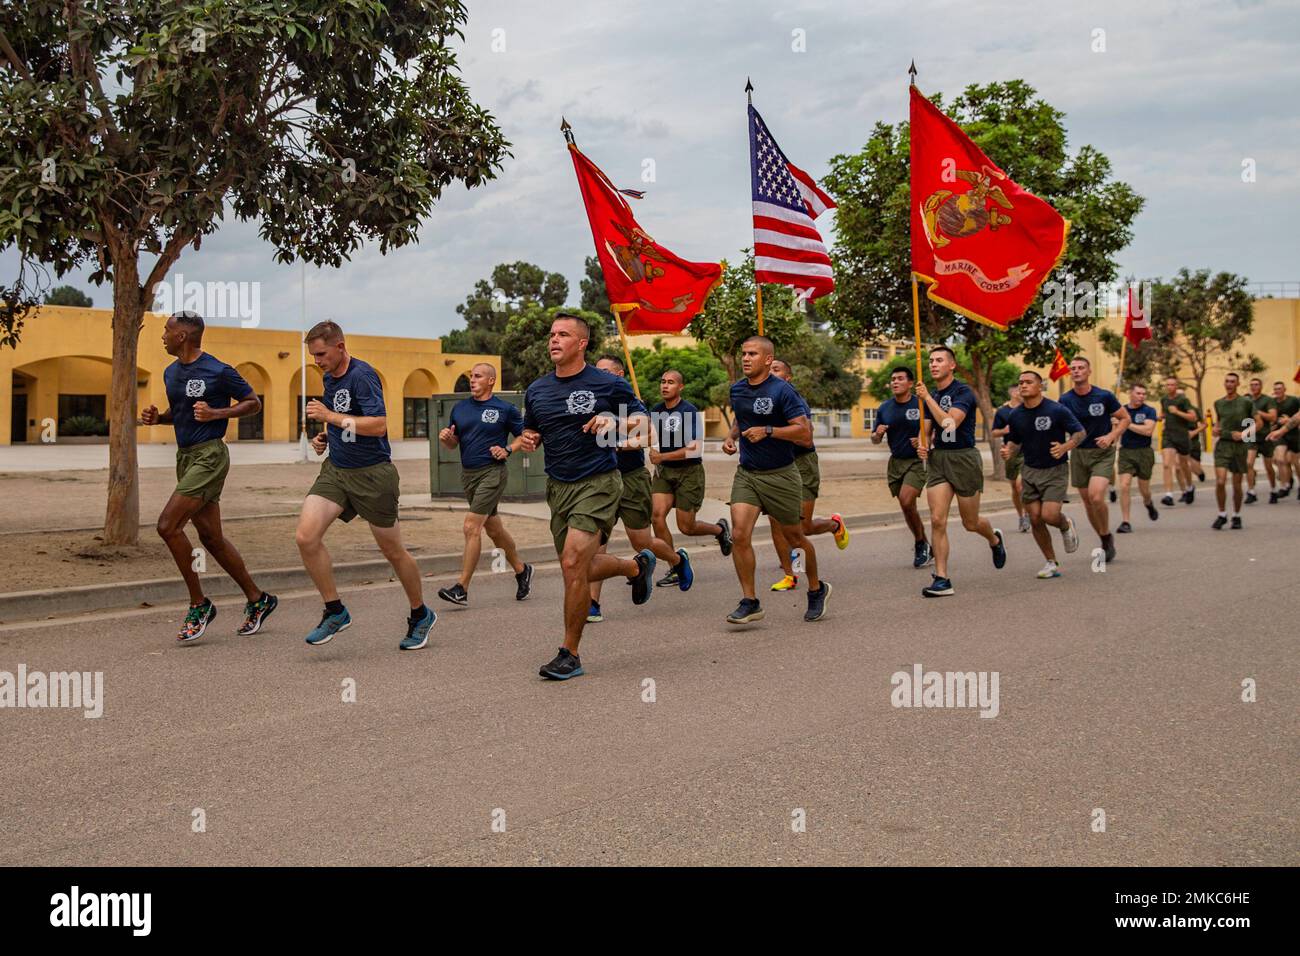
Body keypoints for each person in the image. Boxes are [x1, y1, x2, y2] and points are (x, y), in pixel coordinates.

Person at [518, 314, 656, 680]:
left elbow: (646, 424)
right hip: (558, 486)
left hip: (598, 481)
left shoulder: (605, 383)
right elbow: (531, 430)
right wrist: (528, 440)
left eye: (563, 334)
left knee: (571, 563)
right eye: (551, 334)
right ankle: (635, 566)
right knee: (575, 568)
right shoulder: (537, 390)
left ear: (582, 344)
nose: (554, 340)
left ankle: (570, 653)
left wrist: (616, 421)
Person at [295, 321, 436, 650]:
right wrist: (324, 438)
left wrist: (329, 418)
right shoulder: (329, 376)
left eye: (321, 354)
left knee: (392, 551)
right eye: (314, 355)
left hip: (373, 474)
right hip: (337, 472)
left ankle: (420, 614)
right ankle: (335, 611)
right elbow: (346, 421)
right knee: (306, 536)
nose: (317, 360)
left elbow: (377, 425)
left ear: (340, 347)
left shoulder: (362, 375)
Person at [138, 311, 277, 642]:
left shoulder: (219, 370)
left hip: (210, 455)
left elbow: (252, 402)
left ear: (183, 336)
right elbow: (183, 413)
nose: (163, 336)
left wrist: (218, 412)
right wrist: (160, 419)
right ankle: (259, 600)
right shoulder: (171, 373)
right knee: (211, 538)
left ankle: (199, 604)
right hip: (185, 457)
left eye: (167, 331)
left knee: (167, 526)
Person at [722, 336, 830, 624]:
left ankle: (817, 588)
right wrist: (731, 437)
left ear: (768, 360)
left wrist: (769, 430)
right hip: (748, 474)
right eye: (744, 353)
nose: (746, 358)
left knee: (795, 538)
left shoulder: (783, 391)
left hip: (782, 475)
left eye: (753, 354)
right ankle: (750, 600)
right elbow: (741, 419)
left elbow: (804, 433)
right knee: (740, 534)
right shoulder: (738, 390)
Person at [587, 355, 690, 621]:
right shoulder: (591, 402)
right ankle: (592, 604)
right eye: (596, 371)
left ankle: (677, 561)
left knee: (641, 541)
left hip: (631, 477)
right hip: (601, 479)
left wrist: (622, 443)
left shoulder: (632, 405)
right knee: (597, 544)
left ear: (619, 374)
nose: (598, 376)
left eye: (605, 372)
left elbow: (651, 436)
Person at [435, 362, 534, 607]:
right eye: (471, 376)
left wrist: (508, 449)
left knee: (471, 527)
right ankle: (522, 570)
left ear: (491, 380)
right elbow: (453, 443)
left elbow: (526, 437)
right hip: (469, 475)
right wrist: (447, 439)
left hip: (492, 473)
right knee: (494, 530)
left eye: (478, 376)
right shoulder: (460, 408)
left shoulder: (504, 409)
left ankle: (461, 588)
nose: (472, 380)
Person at [915, 345, 1006, 597]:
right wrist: (922, 444)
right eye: (931, 360)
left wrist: (927, 399)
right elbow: (927, 430)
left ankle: (994, 539)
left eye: (939, 360)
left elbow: (950, 423)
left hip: (964, 459)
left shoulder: (964, 392)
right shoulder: (930, 394)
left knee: (970, 522)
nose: (933, 364)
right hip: (939, 460)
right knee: (937, 519)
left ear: (952, 365)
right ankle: (942, 578)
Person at [764, 358, 849, 592]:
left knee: (803, 527)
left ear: (788, 377)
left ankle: (834, 524)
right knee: (775, 522)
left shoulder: (794, 398)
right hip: (778, 465)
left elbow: (806, 437)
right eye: (769, 370)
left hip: (802, 464)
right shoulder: (764, 400)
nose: (770, 373)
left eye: (776, 370)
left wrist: (773, 432)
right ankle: (790, 576)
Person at [648, 368, 733, 584]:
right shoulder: (656, 410)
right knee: (656, 516)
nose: (665, 386)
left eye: (671, 382)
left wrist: (663, 456)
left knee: (687, 527)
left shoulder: (689, 412)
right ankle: (676, 567)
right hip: (664, 473)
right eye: (663, 381)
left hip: (689, 472)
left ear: (681, 387)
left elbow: (694, 449)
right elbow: (650, 435)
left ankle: (719, 530)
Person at [1000, 370, 1084, 579]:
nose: (1023, 386)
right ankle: (1050, 562)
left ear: (1040, 386)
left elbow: (1080, 432)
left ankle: (1066, 524)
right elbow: (1016, 441)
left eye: (1029, 382)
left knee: (1049, 515)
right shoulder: (1015, 414)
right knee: (1036, 519)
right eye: (1021, 383)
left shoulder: (1056, 410)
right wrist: (1009, 450)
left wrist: (1066, 447)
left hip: (1055, 470)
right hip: (1029, 470)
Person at [1060, 356, 1129, 562]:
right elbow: (1059, 424)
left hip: (1102, 453)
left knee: (1096, 496)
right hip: (1079, 453)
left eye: (1081, 368)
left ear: (1089, 371)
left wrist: (1111, 436)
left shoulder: (1104, 396)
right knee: (1088, 501)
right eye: (1073, 368)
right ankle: (1104, 538)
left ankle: (1106, 534)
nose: (1077, 371)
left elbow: (1125, 418)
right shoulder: (1065, 400)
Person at [871, 366, 931, 567]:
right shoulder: (884, 408)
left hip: (917, 461)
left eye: (900, 379)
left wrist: (922, 441)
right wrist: (877, 434)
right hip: (896, 462)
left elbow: (933, 431)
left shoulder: (921, 404)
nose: (895, 382)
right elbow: (875, 440)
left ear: (910, 383)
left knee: (906, 501)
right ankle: (922, 543)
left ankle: (920, 543)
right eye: (893, 379)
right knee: (908, 507)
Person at [1115, 383, 1161, 533]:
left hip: (1144, 452)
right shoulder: (1122, 410)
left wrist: (1126, 423)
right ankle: (1125, 521)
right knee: (1124, 485)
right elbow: (1115, 430)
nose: (1141, 396)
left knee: (1144, 489)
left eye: (1143, 394)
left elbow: (1148, 430)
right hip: (1126, 452)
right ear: (1131, 393)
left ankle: (1148, 503)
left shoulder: (1149, 410)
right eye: (1138, 393)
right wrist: (1114, 425)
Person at [1210, 373, 1254, 530]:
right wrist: (1215, 429)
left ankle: (1236, 515)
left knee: (1237, 485)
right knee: (1220, 481)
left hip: (1239, 446)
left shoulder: (1246, 403)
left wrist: (1244, 434)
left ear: (1238, 384)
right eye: (1227, 381)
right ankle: (1222, 514)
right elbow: (1219, 421)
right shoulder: (1219, 403)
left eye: (1232, 382)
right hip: (1223, 445)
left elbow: (1257, 423)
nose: (1229, 384)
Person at [990, 383, 1029, 533]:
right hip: (1010, 451)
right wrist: (1004, 430)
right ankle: (1021, 515)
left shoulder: (1028, 408)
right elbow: (994, 433)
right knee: (1014, 487)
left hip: (1027, 450)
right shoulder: (1002, 411)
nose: (1021, 392)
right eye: (1018, 390)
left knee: (1021, 485)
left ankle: (1027, 514)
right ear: (1012, 392)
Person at [1158, 376, 1197, 506]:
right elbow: (1163, 413)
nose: (1170, 387)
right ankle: (1168, 495)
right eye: (1167, 385)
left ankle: (1190, 487)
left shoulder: (1183, 400)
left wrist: (1177, 412)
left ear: (1177, 386)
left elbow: (1193, 417)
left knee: (1184, 466)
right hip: (1168, 435)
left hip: (1182, 436)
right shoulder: (1163, 400)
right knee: (1167, 464)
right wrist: (1160, 417)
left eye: (1172, 385)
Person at [1245, 377, 1278, 504]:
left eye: (1256, 384)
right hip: (1251, 436)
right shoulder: (1246, 401)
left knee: (1268, 466)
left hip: (1265, 435)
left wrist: (1257, 412)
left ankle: (1273, 489)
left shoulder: (1267, 400)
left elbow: (1273, 417)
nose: (1254, 387)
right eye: (1252, 385)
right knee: (1248, 464)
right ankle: (1251, 491)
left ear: (1261, 386)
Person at [1265, 380, 1299, 498]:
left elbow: (1298, 416)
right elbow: (1270, 417)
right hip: (1280, 435)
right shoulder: (1272, 403)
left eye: (1279, 388)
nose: (1277, 391)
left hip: (1295, 434)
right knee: (1279, 459)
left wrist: (1288, 421)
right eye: (1275, 389)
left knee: (1295, 462)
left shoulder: (1294, 400)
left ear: (1285, 390)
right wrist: (1274, 427)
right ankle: (1285, 485)